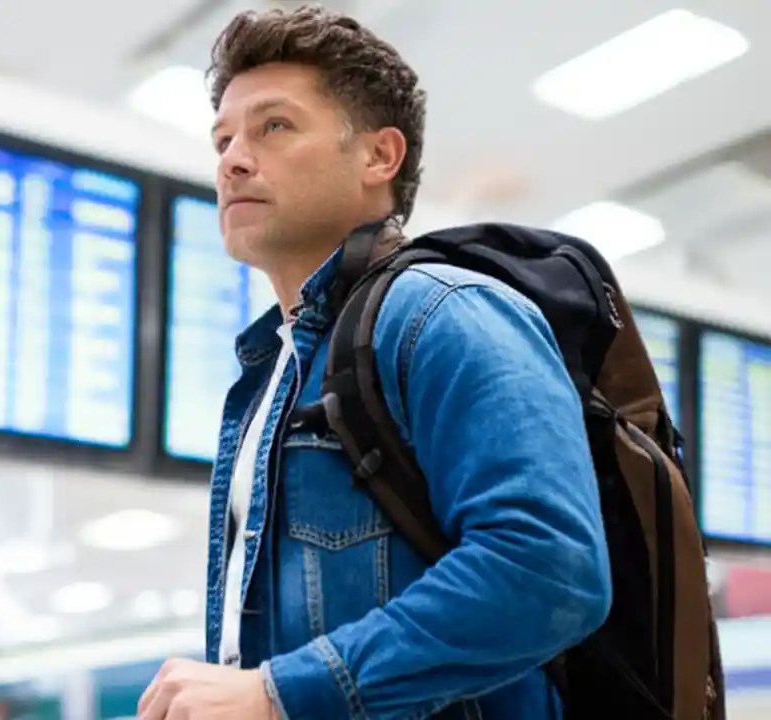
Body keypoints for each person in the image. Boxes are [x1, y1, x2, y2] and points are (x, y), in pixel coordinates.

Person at [137, 5, 611, 719]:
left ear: (379, 156)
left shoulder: (443, 312)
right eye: (223, 138)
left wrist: (280, 694)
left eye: (274, 126)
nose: (232, 159)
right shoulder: (272, 374)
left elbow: (548, 568)